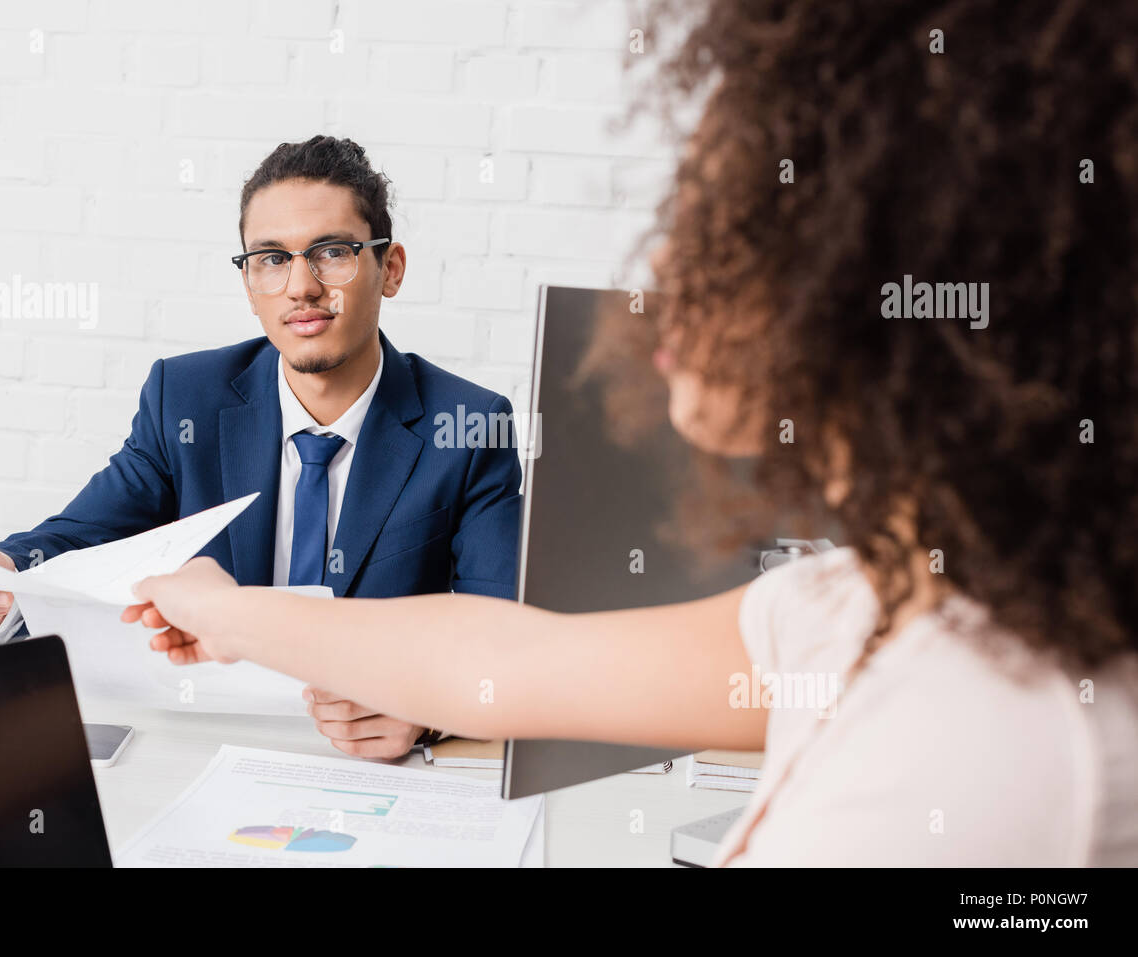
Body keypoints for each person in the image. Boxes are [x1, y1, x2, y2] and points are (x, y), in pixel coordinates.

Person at [123, 0, 1138, 865]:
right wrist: (233, 613)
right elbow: (515, 659)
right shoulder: (848, 603)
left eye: (716, 222)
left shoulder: (996, 741)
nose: (665, 264)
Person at [0, 135, 523, 759]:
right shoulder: (187, 399)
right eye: (271, 259)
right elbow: (81, 536)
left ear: (389, 269)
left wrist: (425, 710)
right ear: (251, 282)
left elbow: (503, 637)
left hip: (378, 770)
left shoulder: (469, 425)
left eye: (332, 252)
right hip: (208, 751)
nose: (301, 286)